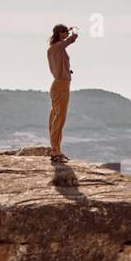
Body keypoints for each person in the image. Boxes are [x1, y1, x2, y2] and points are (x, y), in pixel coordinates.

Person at [46, 24, 78, 161]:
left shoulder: (54, 49)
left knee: (55, 118)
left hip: (58, 85)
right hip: (61, 86)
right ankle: (55, 150)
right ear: (60, 33)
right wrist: (74, 29)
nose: (67, 33)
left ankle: (56, 149)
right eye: (65, 31)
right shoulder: (58, 47)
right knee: (60, 119)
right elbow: (74, 37)